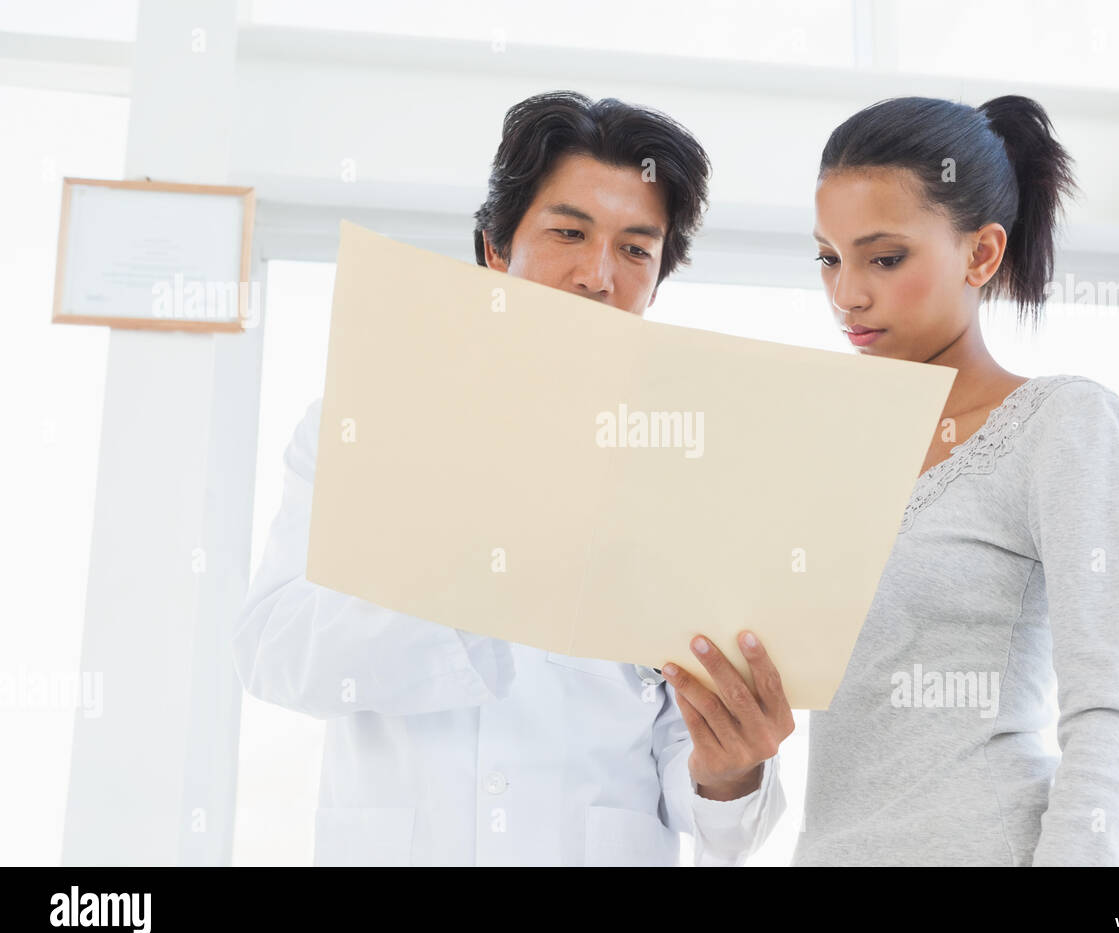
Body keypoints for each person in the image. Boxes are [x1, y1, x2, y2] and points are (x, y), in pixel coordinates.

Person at [232, 91, 791, 867]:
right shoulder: (362, 425)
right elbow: (274, 650)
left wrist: (731, 770)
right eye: (569, 232)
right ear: (496, 249)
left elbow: (702, 786)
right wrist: (488, 575)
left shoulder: (694, 467)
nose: (598, 276)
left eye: (636, 249)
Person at [795, 95, 1119, 865]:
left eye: (884, 257)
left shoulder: (1061, 423)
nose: (846, 294)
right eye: (829, 257)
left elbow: (1112, 711)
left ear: (981, 254)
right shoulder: (828, 458)